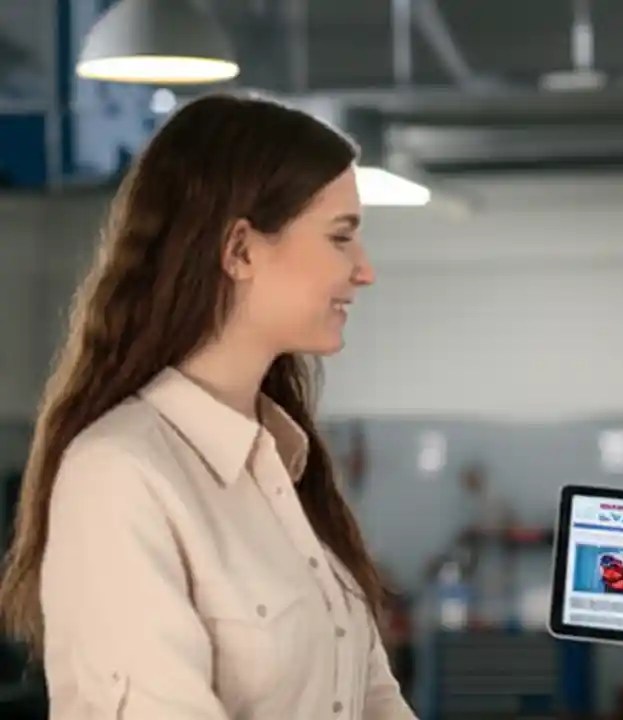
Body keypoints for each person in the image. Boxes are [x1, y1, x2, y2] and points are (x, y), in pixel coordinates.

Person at [0, 93, 417, 719]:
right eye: (341, 238)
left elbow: (373, 703)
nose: (364, 271)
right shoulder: (120, 475)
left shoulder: (285, 470)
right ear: (241, 250)